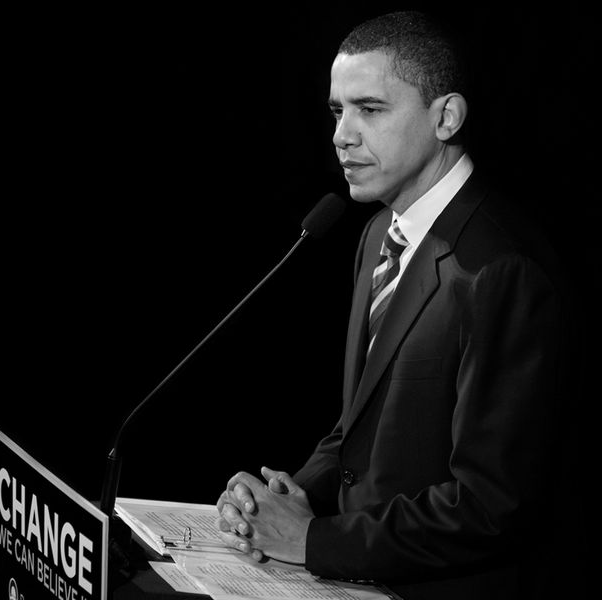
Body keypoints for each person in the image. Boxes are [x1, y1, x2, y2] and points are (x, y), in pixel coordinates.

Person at [215, 11, 571, 600]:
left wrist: (311, 541)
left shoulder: (501, 269)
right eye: (337, 111)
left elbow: (490, 507)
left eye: (370, 109)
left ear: (446, 117)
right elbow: (357, 435)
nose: (341, 135)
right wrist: (282, 502)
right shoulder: (380, 232)